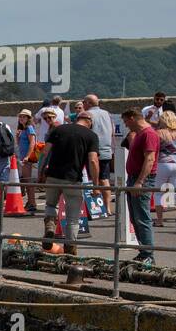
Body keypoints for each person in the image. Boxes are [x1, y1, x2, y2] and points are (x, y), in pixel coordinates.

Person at [38, 111, 100, 257]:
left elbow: (45, 152)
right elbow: (93, 161)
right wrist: (96, 185)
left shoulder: (58, 129)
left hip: (52, 176)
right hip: (72, 179)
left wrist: (40, 173)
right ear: (89, 121)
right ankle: (70, 249)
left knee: (51, 205)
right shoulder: (91, 136)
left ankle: (50, 227)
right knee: (73, 217)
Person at [121, 109, 157, 265]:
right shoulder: (139, 134)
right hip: (134, 178)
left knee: (142, 218)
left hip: (141, 179)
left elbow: (150, 159)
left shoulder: (148, 134)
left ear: (132, 118)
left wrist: (140, 182)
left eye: (126, 122)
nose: (126, 125)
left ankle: (148, 254)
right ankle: (143, 252)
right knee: (136, 218)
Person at [81, 94, 115, 216]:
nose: (83, 104)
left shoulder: (86, 115)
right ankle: (108, 208)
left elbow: (83, 132)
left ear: (89, 103)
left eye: (84, 102)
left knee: (91, 179)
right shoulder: (107, 114)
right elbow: (112, 132)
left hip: (92, 151)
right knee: (105, 179)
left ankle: (94, 208)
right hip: (106, 150)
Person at [15, 109, 39, 212]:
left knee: (28, 180)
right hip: (23, 157)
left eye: (24, 117)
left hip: (26, 158)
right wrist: (17, 136)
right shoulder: (23, 129)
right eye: (20, 117)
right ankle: (30, 201)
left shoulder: (29, 128)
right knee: (26, 180)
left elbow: (32, 143)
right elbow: (19, 143)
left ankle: (32, 202)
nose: (21, 118)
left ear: (28, 118)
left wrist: (28, 156)